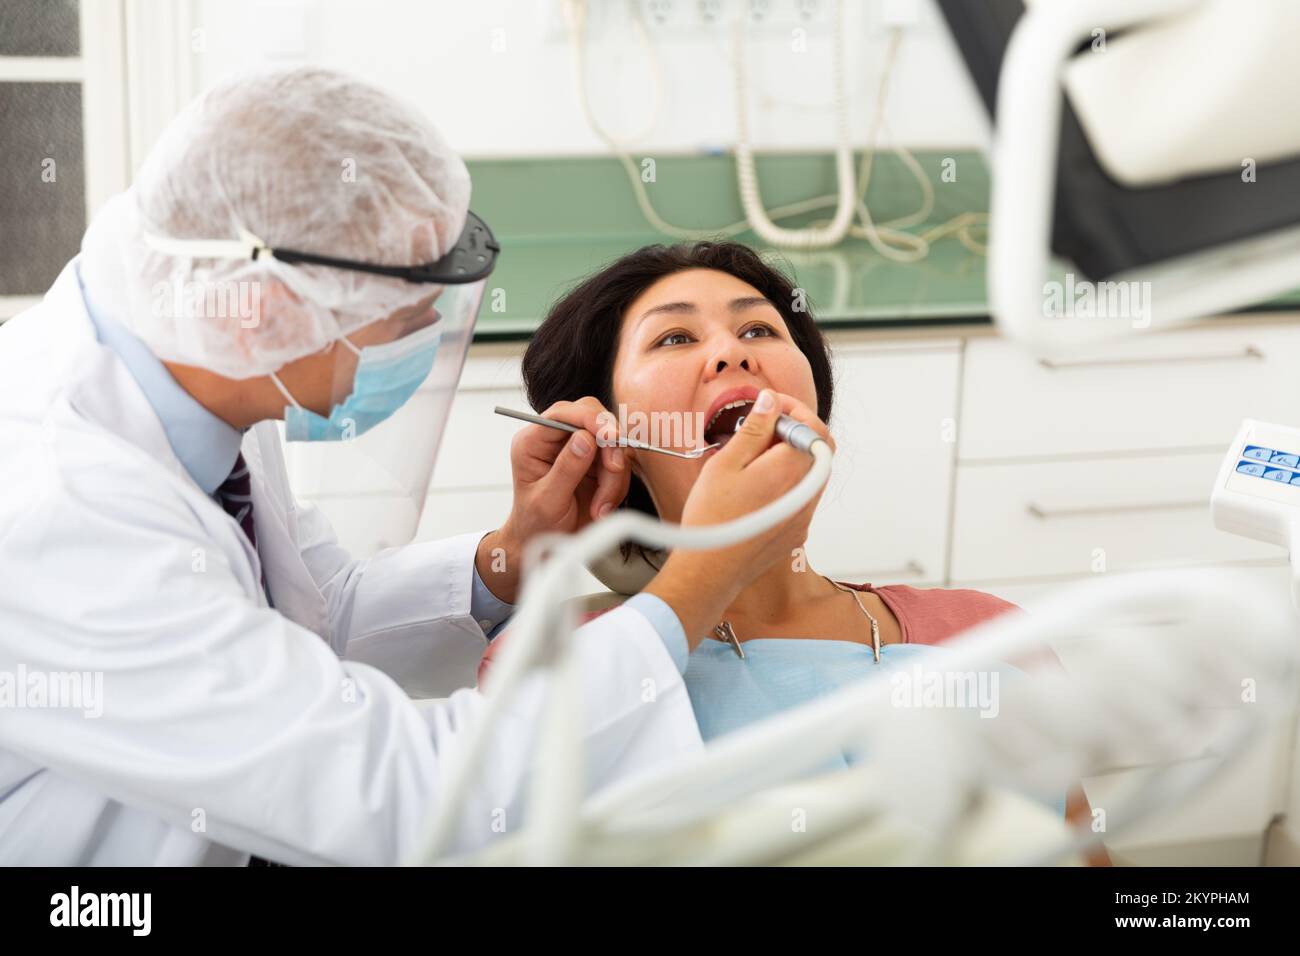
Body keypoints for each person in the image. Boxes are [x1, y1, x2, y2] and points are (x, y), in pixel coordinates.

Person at [0, 69, 818, 865]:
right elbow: (405, 799)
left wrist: (514, 554)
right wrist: (700, 576)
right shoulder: (61, 504)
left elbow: (314, 618)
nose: (429, 326)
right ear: (273, 311)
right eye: (408, 309)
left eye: (758, 331)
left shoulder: (205, 362)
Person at [482, 241, 1107, 845]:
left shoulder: (992, 633)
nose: (732, 353)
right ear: (612, 440)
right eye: (675, 338)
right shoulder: (555, 661)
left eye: (759, 331)